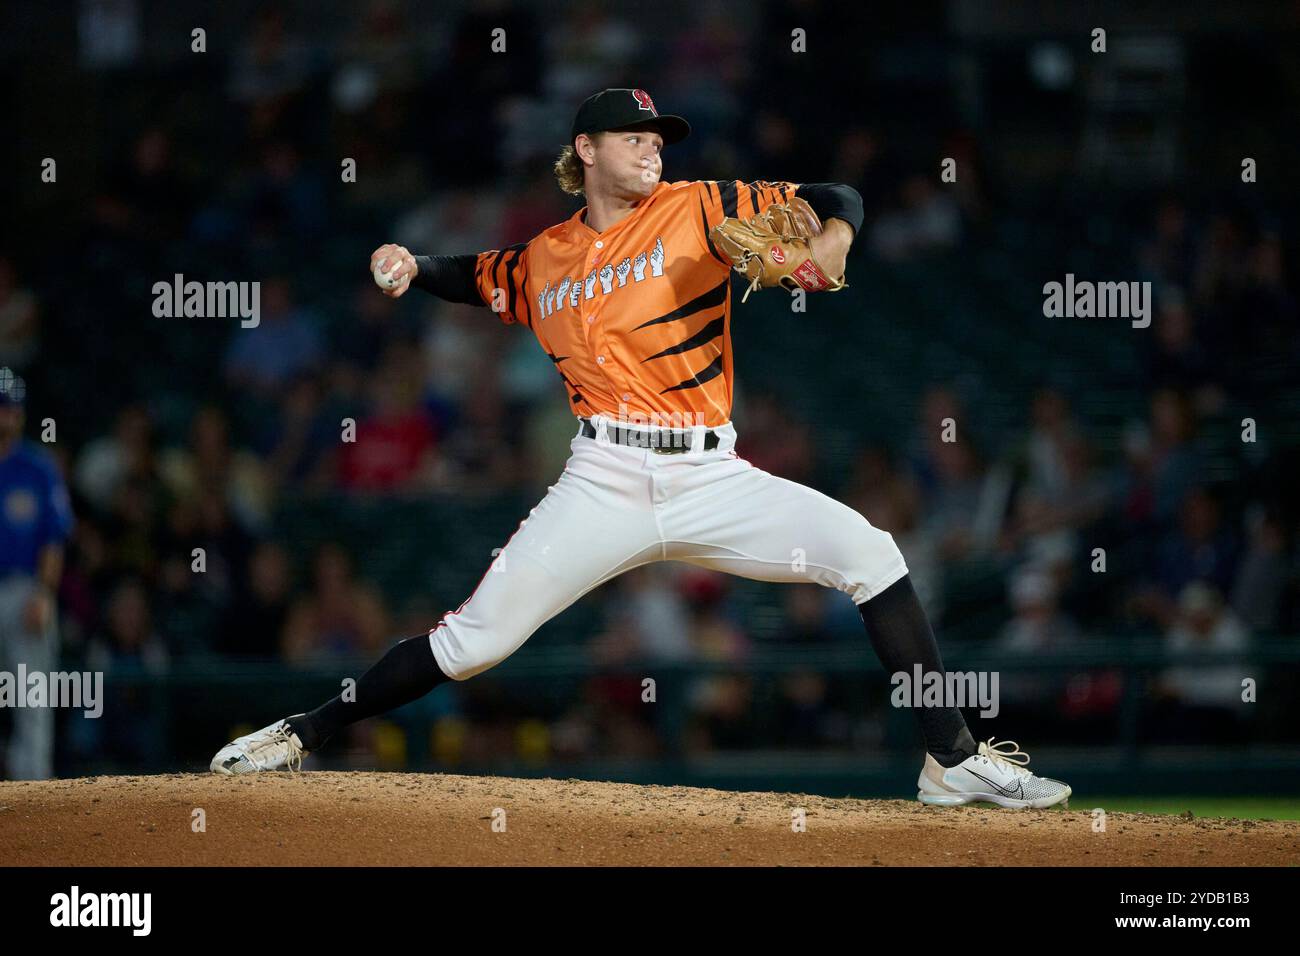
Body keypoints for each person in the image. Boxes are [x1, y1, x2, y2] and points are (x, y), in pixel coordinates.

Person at [212, 88, 1071, 808]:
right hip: (605, 478)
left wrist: (828, 244)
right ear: (585, 149)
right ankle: (298, 734)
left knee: (872, 554)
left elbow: (835, 194)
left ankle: (951, 761)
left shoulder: (700, 206)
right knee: (474, 645)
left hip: (711, 472)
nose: (654, 148)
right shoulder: (545, 257)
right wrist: (409, 263)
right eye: (635, 137)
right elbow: (479, 276)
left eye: (659, 137)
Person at [0, 369, 75, 778]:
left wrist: (44, 594)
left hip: (22, 589)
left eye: (10, 407)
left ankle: (31, 797)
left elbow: (53, 537)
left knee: (31, 699)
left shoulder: (37, 466)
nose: (5, 415)